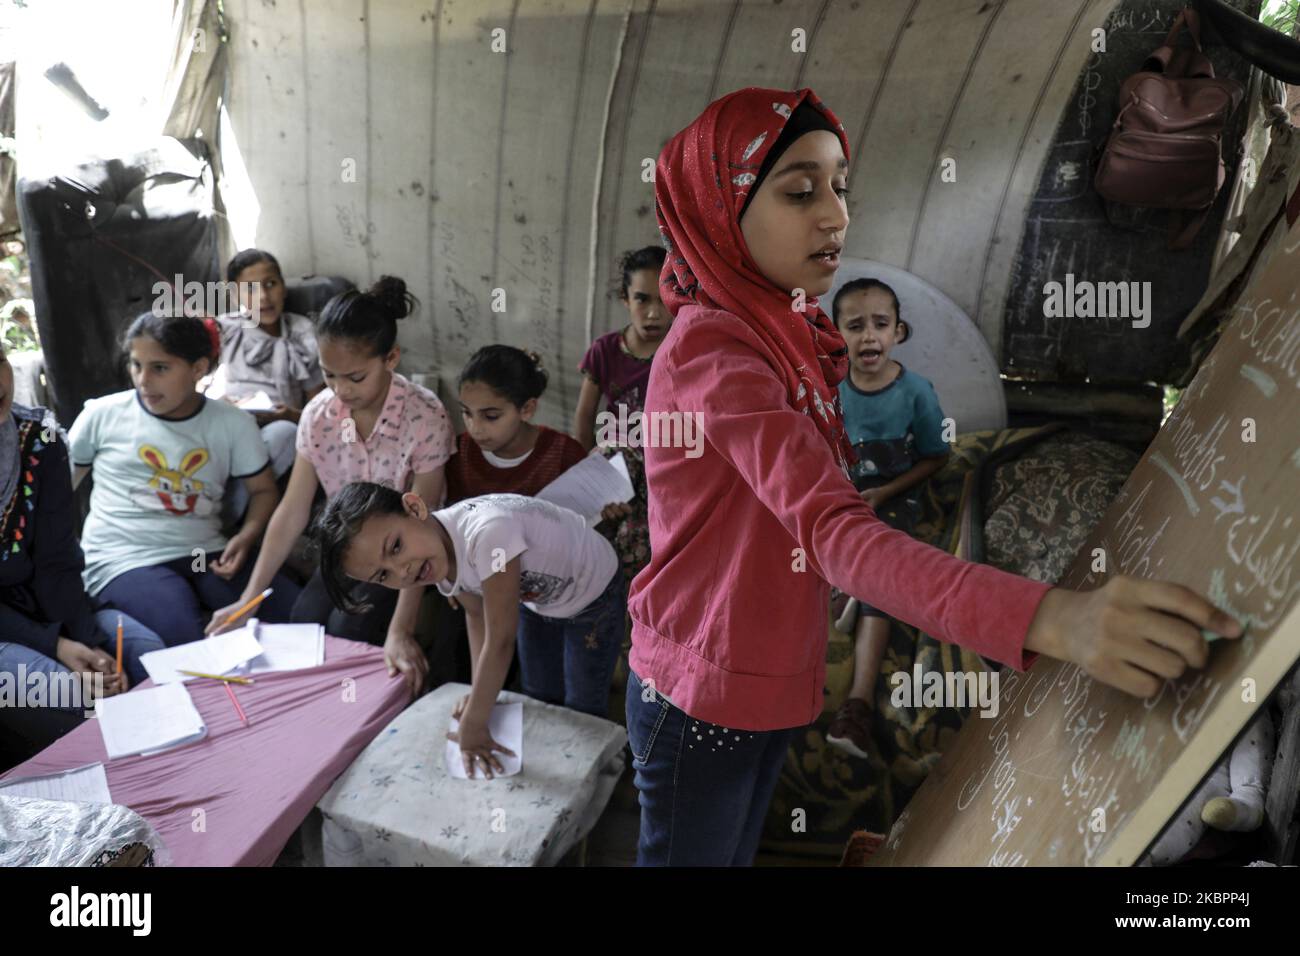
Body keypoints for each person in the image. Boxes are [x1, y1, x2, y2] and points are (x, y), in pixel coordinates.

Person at [624, 86, 1241, 866]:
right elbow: (835, 536)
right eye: (799, 191)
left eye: (841, 186)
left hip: (769, 677)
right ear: (716, 207)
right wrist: (1054, 620)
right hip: (701, 696)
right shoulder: (714, 354)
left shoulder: (784, 325)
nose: (836, 216)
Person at [208, 277, 453, 697]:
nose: (341, 390)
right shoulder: (320, 415)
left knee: (350, 634)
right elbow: (292, 511)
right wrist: (248, 600)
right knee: (302, 627)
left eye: (355, 377)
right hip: (348, 556)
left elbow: (423, 531)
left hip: (403, 561)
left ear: (390, 358)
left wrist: (401, 629)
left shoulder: (425, 416)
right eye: (329, 375)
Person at [315, 483, 626, 778]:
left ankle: (602, 775)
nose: (403, 571)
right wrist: (481, 695)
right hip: (535, 597)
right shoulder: (433, 556)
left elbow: (501, 641)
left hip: (592, 593)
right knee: (539, 691)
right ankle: (567, 764)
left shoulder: (489, 534)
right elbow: (476, 614)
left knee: (583, 704)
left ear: (414, 507)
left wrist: (475, 721)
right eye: (383, 575)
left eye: (396, 547)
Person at [69, 314, 299, 647]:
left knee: (296, 614)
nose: (143, 380)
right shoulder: (101, 415)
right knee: (185, 637)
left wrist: (247, 536)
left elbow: (263, 491)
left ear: (198, 368)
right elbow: (57, 492)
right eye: (136, 365)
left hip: (205, 552)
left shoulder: (232, 423)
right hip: (124, 557)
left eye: (160, 368)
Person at [0, 343, 163, 757]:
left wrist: (89, 644)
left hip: (51, 607)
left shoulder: (38, 440)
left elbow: (58, 557)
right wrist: (56, 647)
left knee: (151, 663)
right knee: (73, 701)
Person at [824, 278, 950, 758]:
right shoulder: (830, 393)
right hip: (847, 495)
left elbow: (936, 458)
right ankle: (842, 582)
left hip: (894, 497)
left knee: (882, 573)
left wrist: (883, 494)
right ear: (837, 337)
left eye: (880, 324)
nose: (868, 336)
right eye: (855, 327)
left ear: (898, 332)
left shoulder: (917, 393)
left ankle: (855, 707)